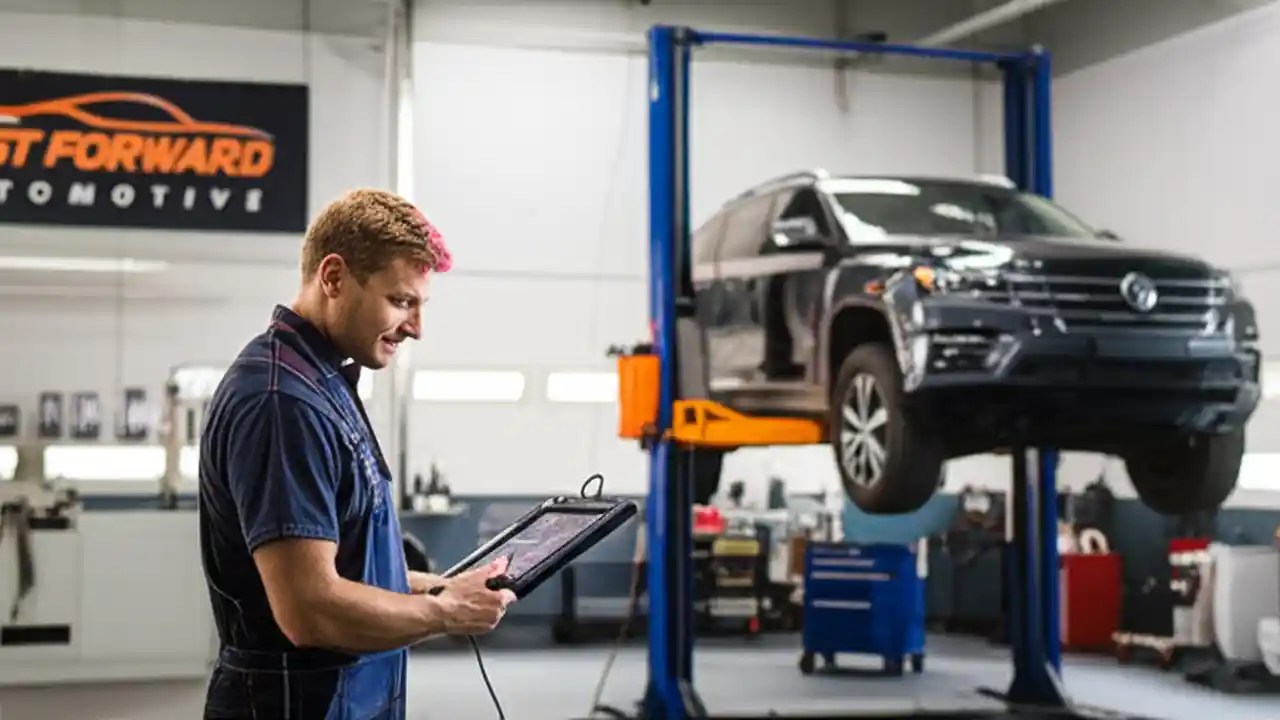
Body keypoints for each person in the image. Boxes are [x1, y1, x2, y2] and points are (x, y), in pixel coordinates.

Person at [197, 188, 516, 719]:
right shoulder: (282, 402)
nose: (415, 327)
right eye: (401, 301)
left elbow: (350, 562)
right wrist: (446, 611)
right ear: (334, 278)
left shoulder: (323, 383)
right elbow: (311, 609)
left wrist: (439, 586)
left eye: (419, 305)